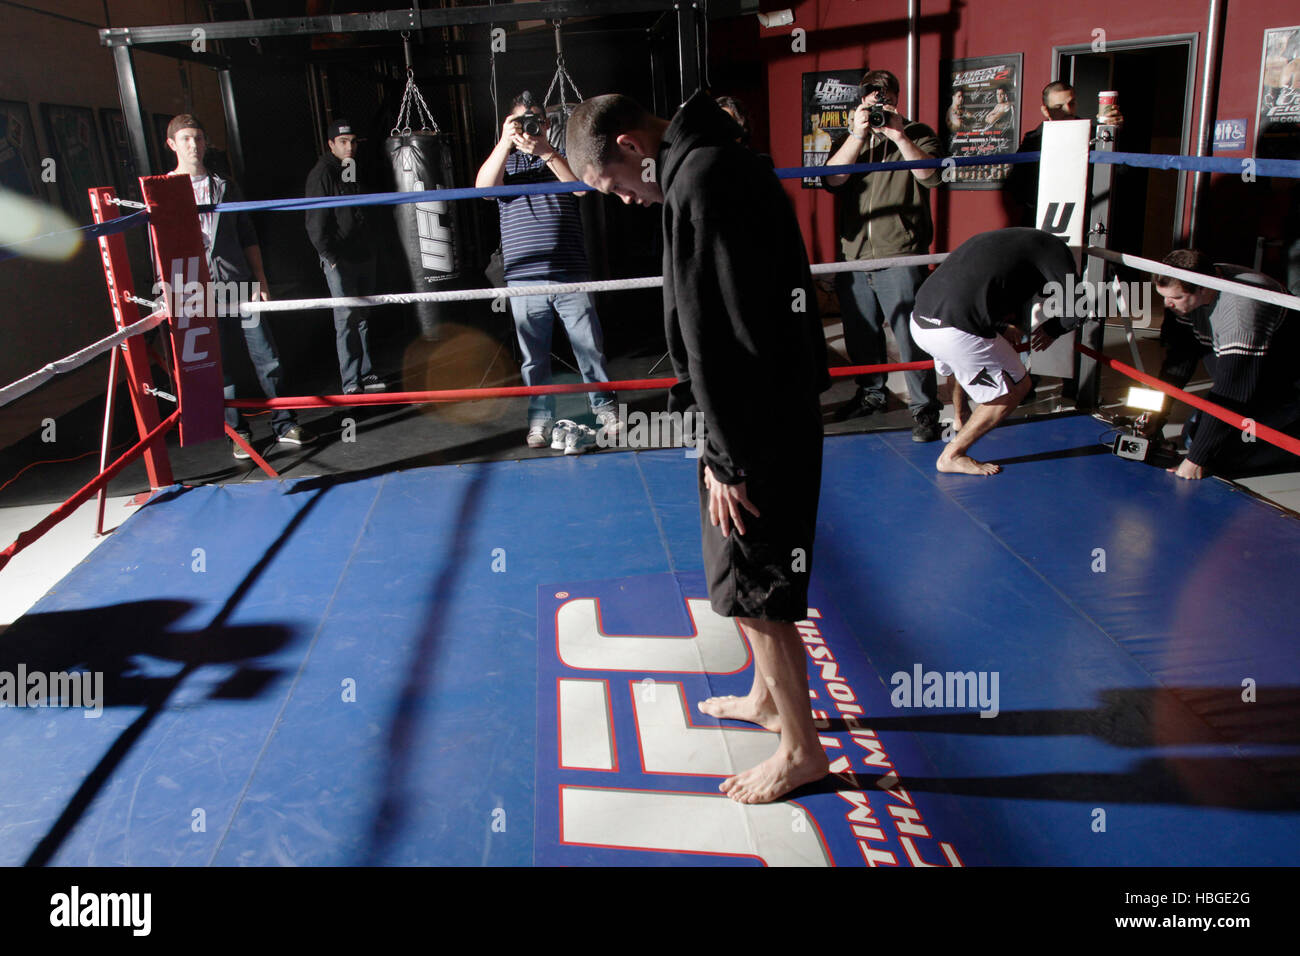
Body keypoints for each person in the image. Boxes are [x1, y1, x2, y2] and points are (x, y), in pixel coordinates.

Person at [566, 91, 832, 805]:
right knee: (739, 576)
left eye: (612, 184)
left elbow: (722, 334)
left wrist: (726, 455)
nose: (621, 200)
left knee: (757, 585)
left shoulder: (703, 178)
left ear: (629, 145)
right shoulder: (712, 164)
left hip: (755, 423)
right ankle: (768, 700)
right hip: (756, 415)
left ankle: (802, 751)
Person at [474, 91, 618, 449]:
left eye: (534, 120)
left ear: (547, 123)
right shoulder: (504, 163)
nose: (528, 128)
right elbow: (482, 189)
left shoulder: (559, 157)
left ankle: (605, 408)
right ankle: (540, 417)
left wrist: (546, 151)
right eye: (520, 122)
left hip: (569, 271)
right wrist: (505, 143)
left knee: (590, 347)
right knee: (533, 356)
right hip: (525, 276)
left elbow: (583, 191)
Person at [165, 114, 313, 458]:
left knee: (267, 357)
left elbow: (248, 235)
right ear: (172, 144)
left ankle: (285, 423)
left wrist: (260, 280)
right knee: (221, 363)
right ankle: (238, 433)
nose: (193, 145)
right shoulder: (165, 190)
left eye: (198, 138)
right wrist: (166, 289)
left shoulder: (224, 185)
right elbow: (158, 243)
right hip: (195, 290)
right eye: (186, 138)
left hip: (238, 284)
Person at [821, 70, 944, 442]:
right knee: (861, 333)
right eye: (871, 97)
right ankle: (871, 395)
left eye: (884, 96)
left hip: (900, 252)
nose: (878, 103)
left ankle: (924, 409)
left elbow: (930, 175)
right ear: (861, 100)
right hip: (855, 253)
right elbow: (832, 180)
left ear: (895, 97)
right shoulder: (849, 139)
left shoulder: (919, 133)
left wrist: (899, 134)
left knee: (911, 334)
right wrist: (858, 135)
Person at [909, 227, 1080, 475]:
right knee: (1013, 390)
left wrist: (1000, 326)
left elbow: (973, 287)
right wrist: (1054, 327)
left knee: (963, 364)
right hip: (956, 331)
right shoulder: (1056, 253)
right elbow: (1077, 306)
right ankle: (952, 455)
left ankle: (960, 418)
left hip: (921, 321)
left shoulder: (1003, 241)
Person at [1150, 249, 1300, 479]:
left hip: (1286, 387)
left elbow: (1233, 392)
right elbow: (1179, 362)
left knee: (1218, 457)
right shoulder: (1192, 283)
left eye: (1176, 298)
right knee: (1193, 436)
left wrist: (1195, 460)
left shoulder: (1240, 313)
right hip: (1255, 379)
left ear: (1203, 288)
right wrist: (1153, 417)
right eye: (1164, 296)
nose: (1167, 304)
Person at [304, 118, 386, 396]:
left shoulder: (351, 167)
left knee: (362, 315)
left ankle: (366, 372)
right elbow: (314, 222)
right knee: (347, 318)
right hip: (341, 259)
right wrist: (330, 256)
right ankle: (351, 382)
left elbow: (359, 213)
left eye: (352, 141)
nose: (349, 147)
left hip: (363, 253)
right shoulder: (322, 174)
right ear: (331, 144)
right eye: (343, 142)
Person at [1006, 81, 1124, 226]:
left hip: (1088, 218)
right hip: (1045, 219)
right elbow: (1016, 187)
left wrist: (1115, 134)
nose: (1068, 110)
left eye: (1071, 103)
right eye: (1059, 107)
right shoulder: (1033, 141)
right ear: (1046, 111)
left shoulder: (1095, 136)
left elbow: (1120, 173)